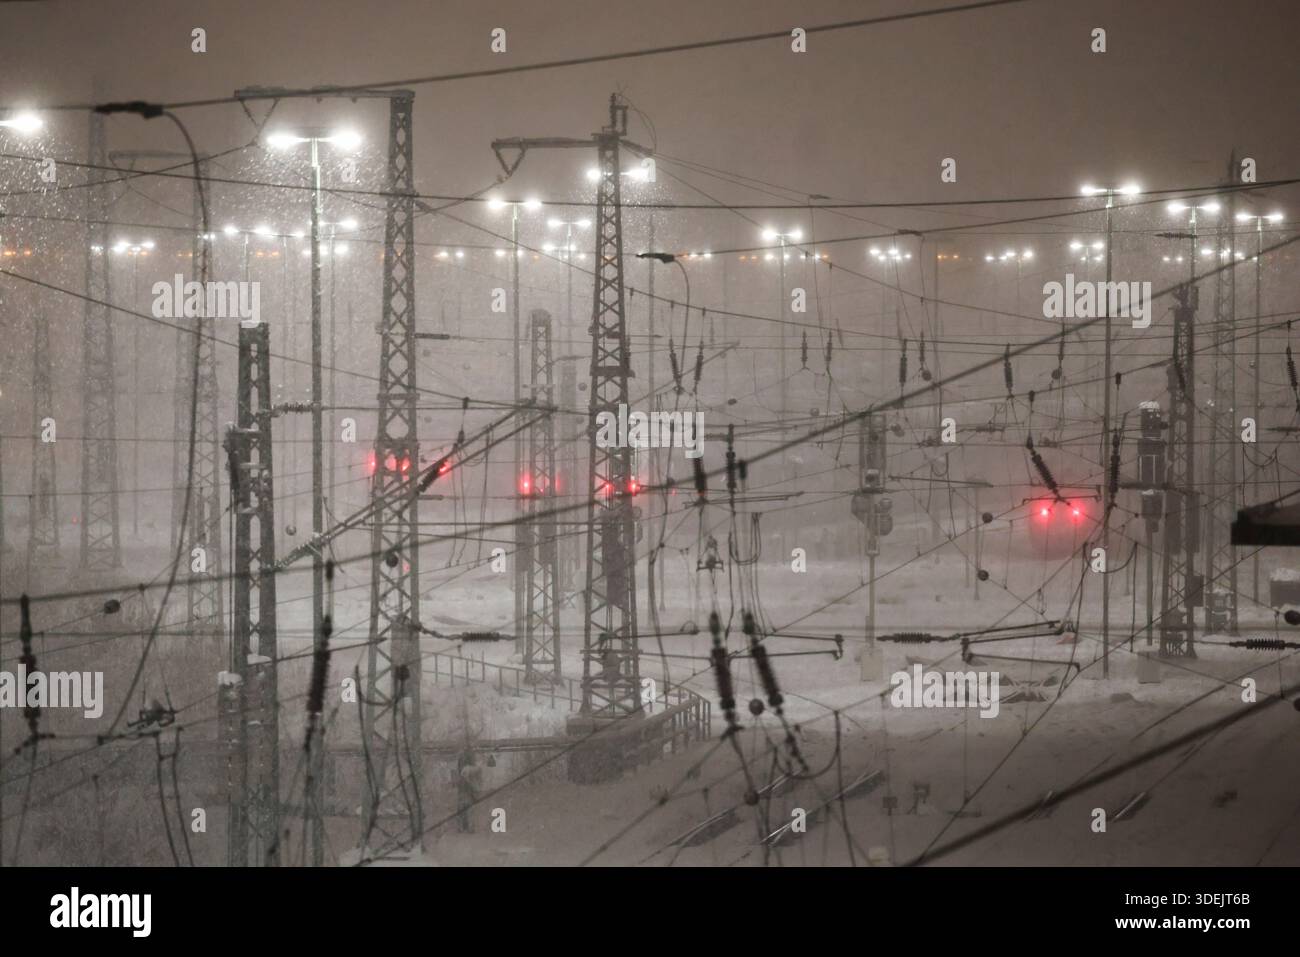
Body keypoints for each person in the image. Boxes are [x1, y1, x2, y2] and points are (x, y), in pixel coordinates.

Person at [456, 749, 483, 833]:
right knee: (469, 812)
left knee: (462, 812)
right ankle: (469, 829)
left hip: (462, 795)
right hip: (467, 794)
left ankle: (461, 828)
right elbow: (478, 770)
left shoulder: (463, 770)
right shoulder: (470, 769)